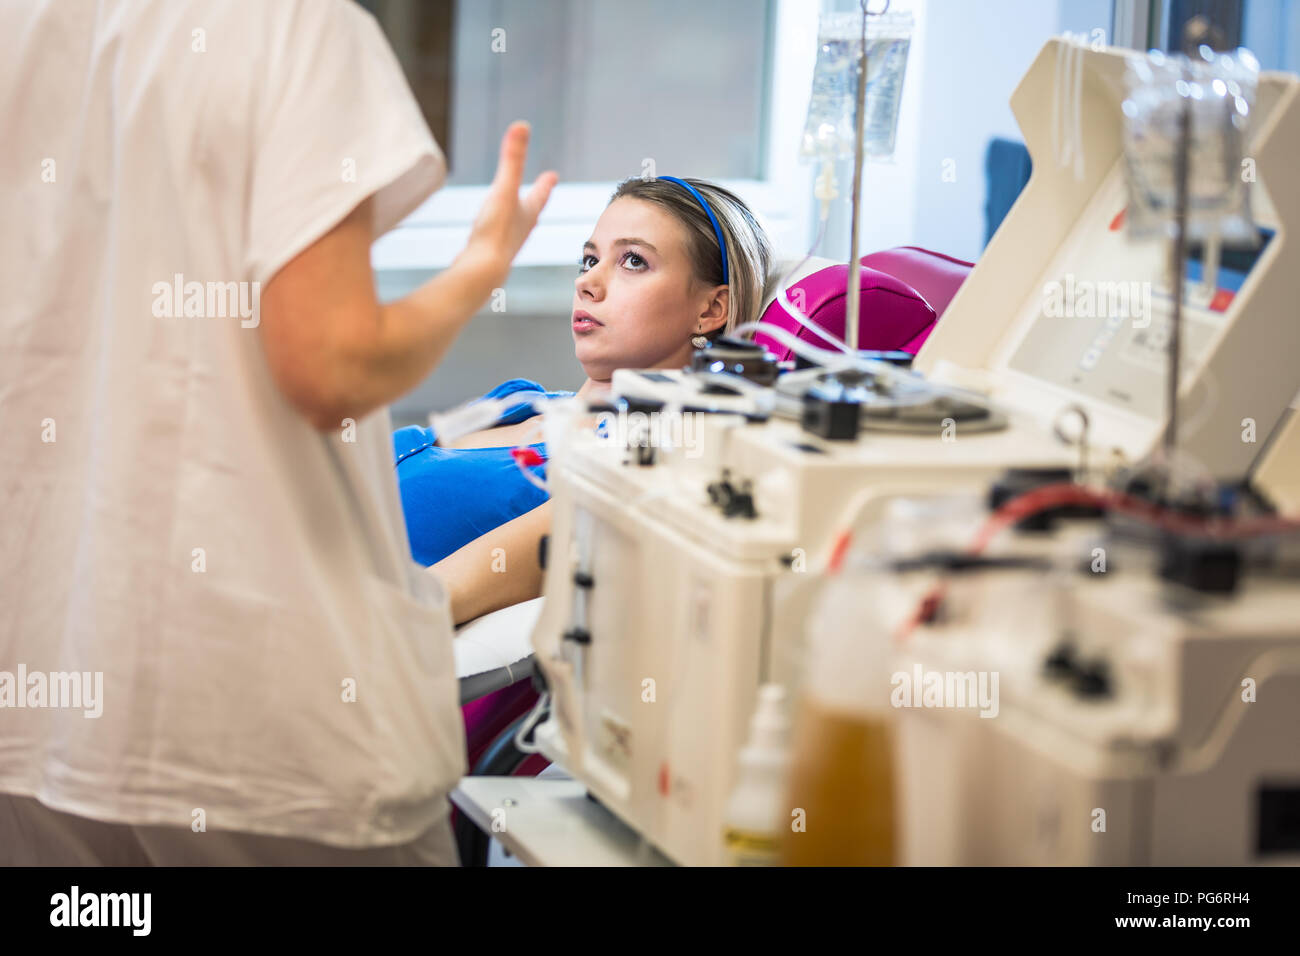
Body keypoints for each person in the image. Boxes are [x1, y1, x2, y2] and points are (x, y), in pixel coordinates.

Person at [0, 0, 553, 865]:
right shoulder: (290, 24)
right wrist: (481, 266)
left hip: (37, 687)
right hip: (254, 718)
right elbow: (332, 368)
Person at [399, 176, 773, 623]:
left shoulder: (630, 463)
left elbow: (422, 607)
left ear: (711, 310)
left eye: (633, 261)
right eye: (589, 259)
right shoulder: (520, 400)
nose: (588, 283)